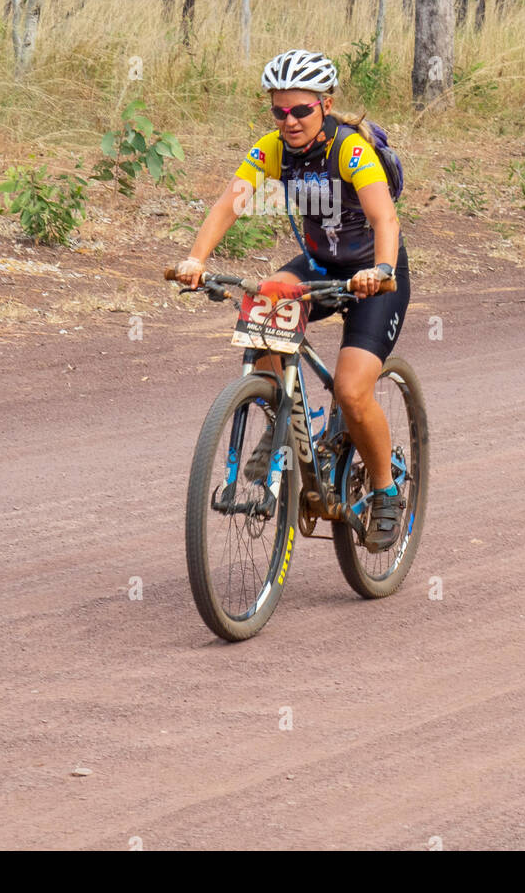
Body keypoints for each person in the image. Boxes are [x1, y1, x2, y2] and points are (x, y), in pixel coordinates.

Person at [174, 49, 411, 552]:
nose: (289, 121)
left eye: (300, 110)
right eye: (279, 110)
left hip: (372, 276)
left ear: (326, 104)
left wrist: (383, 270)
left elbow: (384, 219)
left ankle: (387, 491)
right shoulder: (272, 149)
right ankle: (279, 422)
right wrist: (196, 259)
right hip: (320, 266)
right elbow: (228, 203)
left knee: (351, 389)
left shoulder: (350, 151)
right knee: (263, 310)